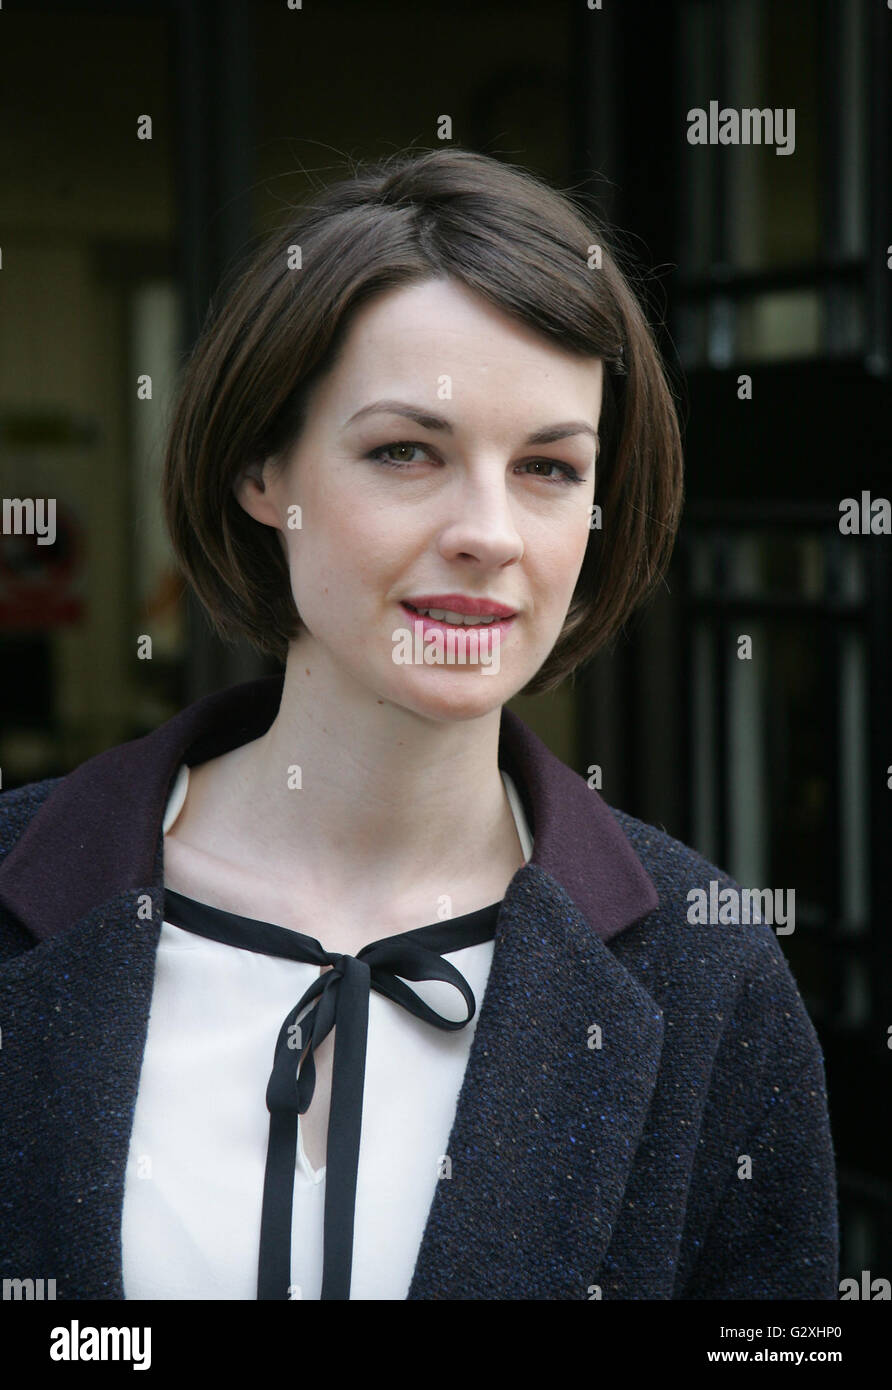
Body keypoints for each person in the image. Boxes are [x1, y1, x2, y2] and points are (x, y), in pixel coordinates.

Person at [0, 147, 837, 1301]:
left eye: (548, 466)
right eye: (406, 451)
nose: (488, 530)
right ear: (260, 468)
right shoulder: (22, 885)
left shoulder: (707, 967)